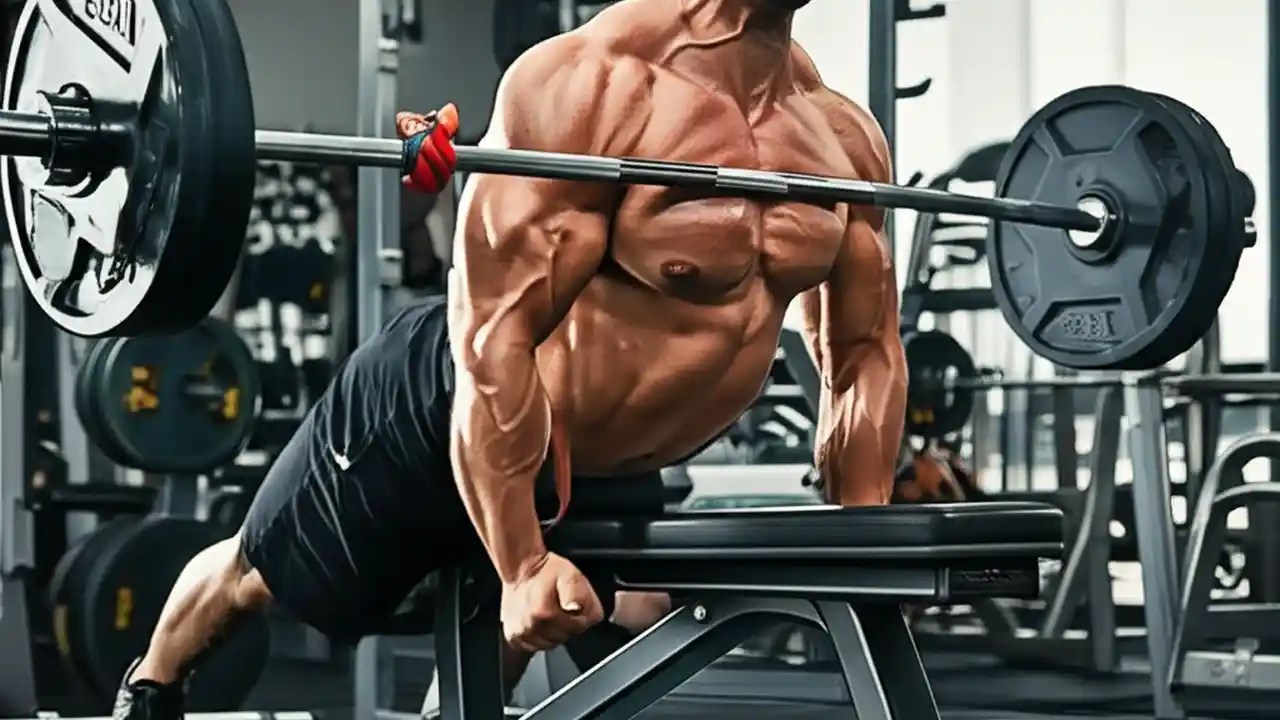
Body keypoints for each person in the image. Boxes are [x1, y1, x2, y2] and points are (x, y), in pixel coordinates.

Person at [112, 0, 906, 717]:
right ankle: (151, 684)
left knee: (593, 613)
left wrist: (866, 542)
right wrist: (522, 561)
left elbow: (864, 351)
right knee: (258, 573)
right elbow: (494, 336)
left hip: (592, 457)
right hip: (441, 392)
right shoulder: (590, 86)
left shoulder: (839, 137)